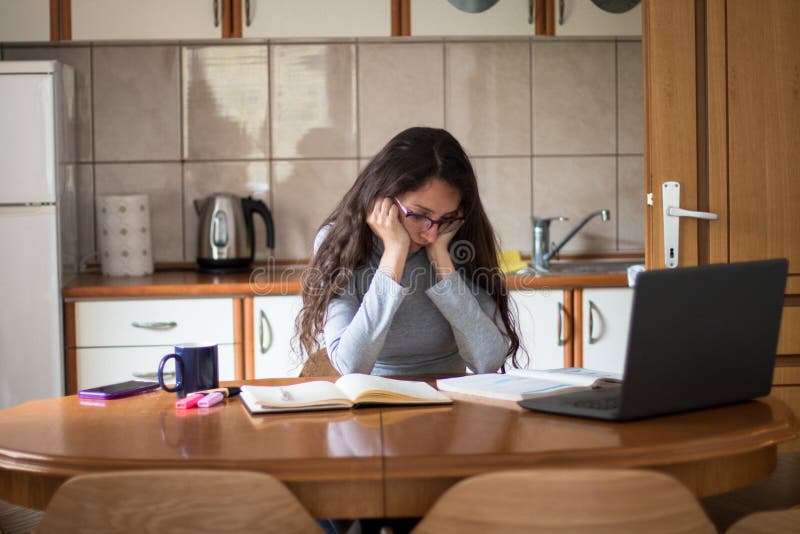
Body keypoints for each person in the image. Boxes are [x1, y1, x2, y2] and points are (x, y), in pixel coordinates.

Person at [295, 126, 522, 378]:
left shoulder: (458, 238)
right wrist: (394, 254)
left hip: (449, 401)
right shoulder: (339, 241)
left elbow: (487, 361)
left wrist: (443, 265)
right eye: (419, 215)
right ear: (384, 198)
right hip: (374, 400)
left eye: (447, 217)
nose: (431, 233)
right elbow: (352, 365)